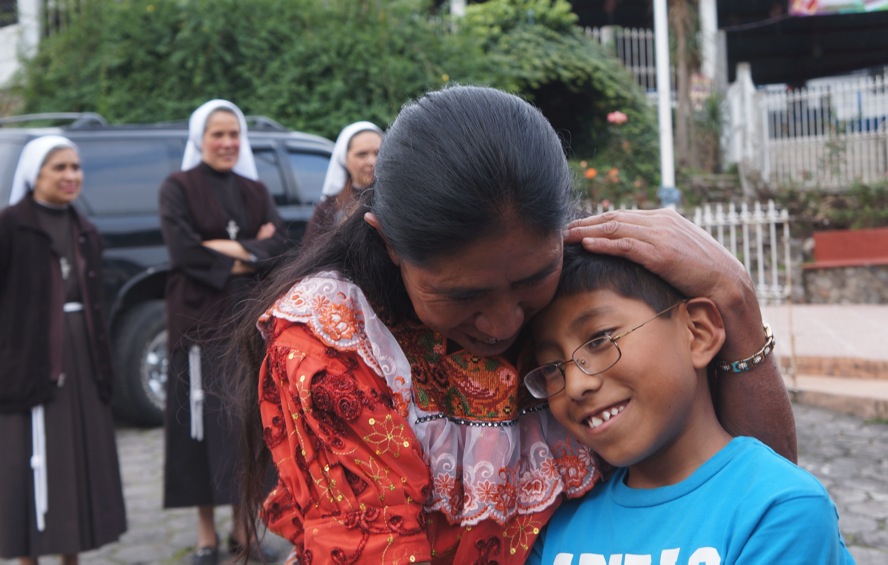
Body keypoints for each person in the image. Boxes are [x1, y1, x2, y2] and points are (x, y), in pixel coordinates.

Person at [236, 85, 797, 565]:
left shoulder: (580, 290)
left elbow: (752, 497)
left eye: (533, 278)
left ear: (563, 230)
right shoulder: (337, 344)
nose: (504, 324)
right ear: (389, 245)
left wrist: (735, 299)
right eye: (464, 295)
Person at [525, 245, 853, 563]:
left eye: (600, 340)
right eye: (553, 368)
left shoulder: (778, 509)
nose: (576, 385)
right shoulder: (557, 526)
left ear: (697, 332)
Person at [159, 99, 287, 564]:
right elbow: (184, 253)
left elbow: (278, 247)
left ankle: (243, 530)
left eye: (234, 134)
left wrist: (227, 249)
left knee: (244, 427)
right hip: (198, 326)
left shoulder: (253, 189)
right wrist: (249, 251)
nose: (228, 143)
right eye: (218, 134)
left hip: (244, 322)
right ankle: (205, 535)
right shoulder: (177, 187)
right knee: (200, 429)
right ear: (200, 139)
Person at [0, 135, 127, 564]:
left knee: (74, 460)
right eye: (60, 168)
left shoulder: (85, 229)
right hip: (28, 362)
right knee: (27, 461)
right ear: (35, 174)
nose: (71, 176)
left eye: (76, 167)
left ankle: (72, 556)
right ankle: (27, 559)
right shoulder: (10, 225)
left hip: (81, 359)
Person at [302, 120, 383, 245]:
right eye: (362, 154)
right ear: (344, 159)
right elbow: (310, 254)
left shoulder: (394, 199)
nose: (372, 161)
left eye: (378, 153)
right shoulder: (328, 208)